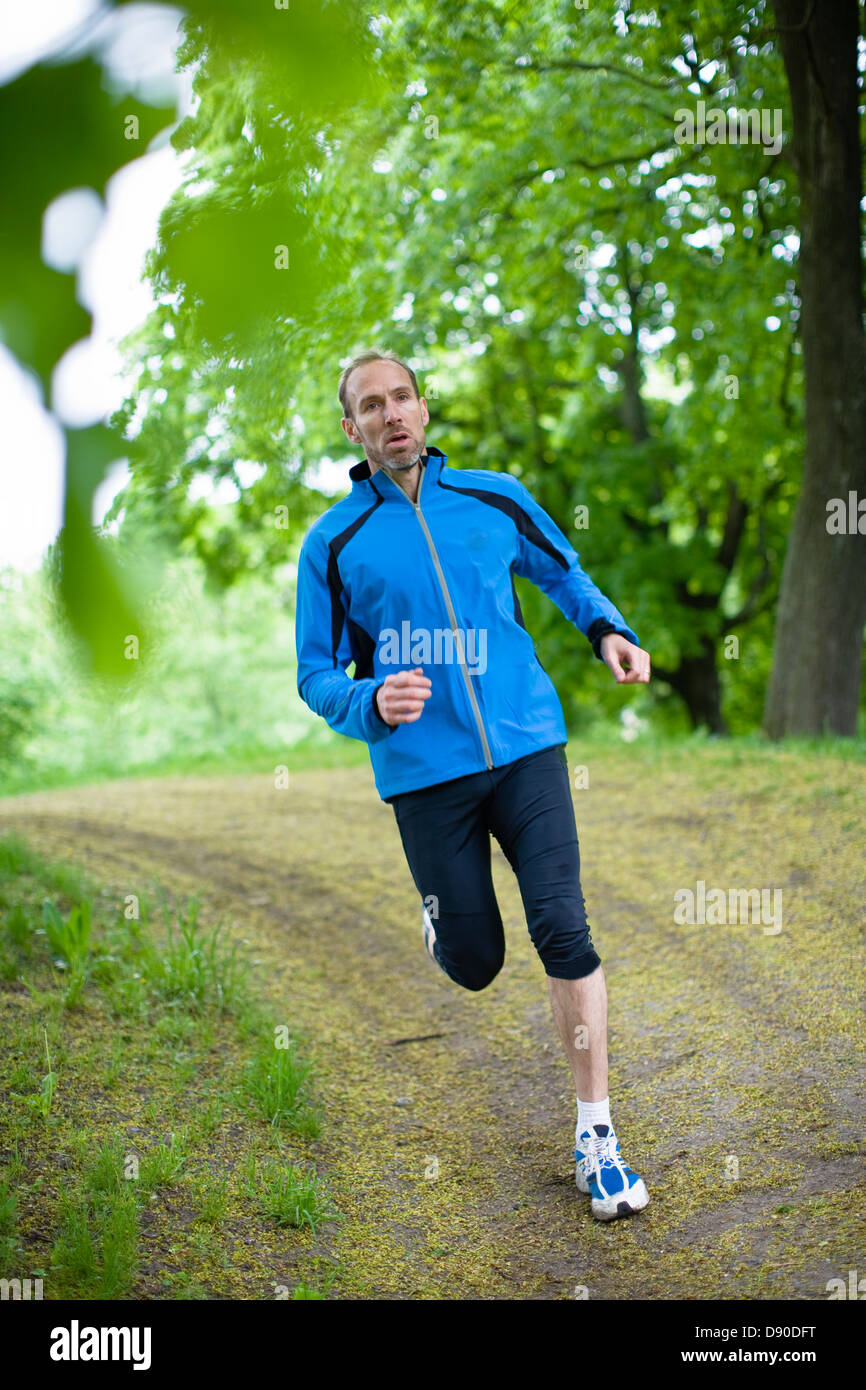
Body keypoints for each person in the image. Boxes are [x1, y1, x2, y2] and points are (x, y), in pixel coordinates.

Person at [295, 348, 652, 1221]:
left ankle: (597, 1137)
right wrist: (368, 697)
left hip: (528, 743)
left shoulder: (492, 497)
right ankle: (441, 923)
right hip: (425, 776)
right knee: (478, 962)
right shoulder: (333, 544)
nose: (392, 415)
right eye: (371, 407)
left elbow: (562, 569)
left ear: (424, 407)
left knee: (563, 929)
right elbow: (313, 673)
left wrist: (607, 629)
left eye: (403, 397)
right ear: (354, 430)